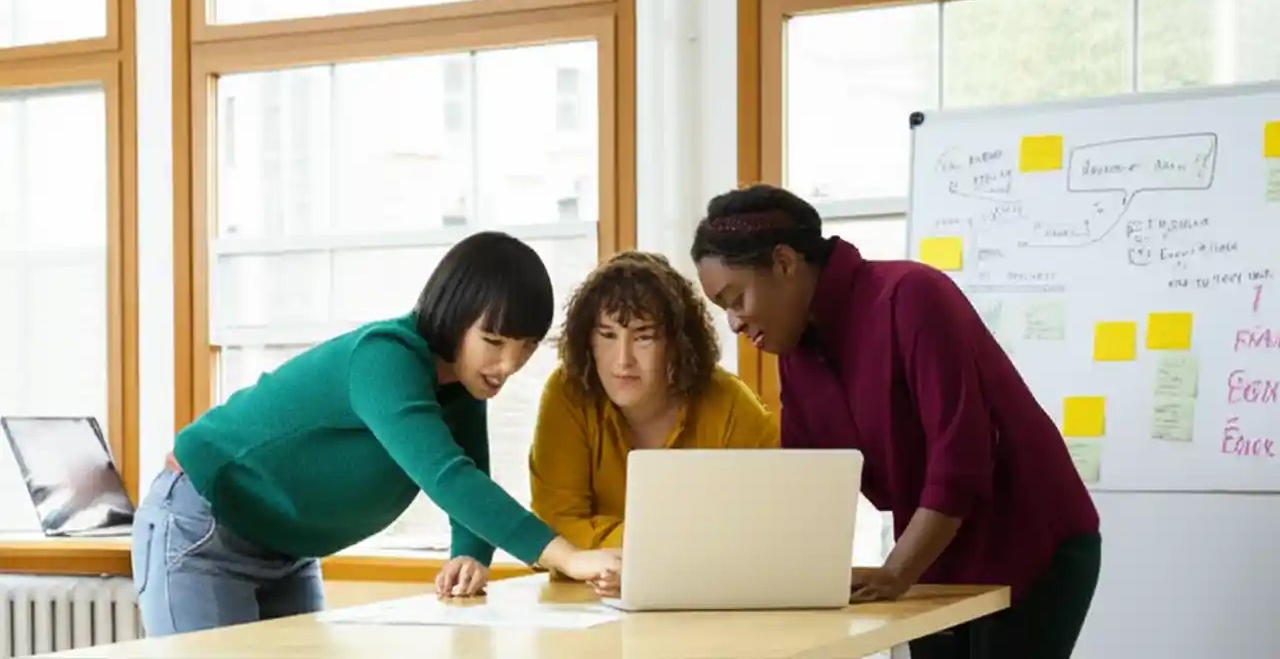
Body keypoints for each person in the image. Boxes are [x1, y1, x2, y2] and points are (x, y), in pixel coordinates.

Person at [131, 231, 621, 637]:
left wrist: (471, 554)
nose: (509, 365)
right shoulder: (384, 358)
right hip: (204, 527)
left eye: (526, 347)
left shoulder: (462, 387)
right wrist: (569, 556)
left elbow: (470, 471)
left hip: (288, 550)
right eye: (493, 342)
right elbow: (448, 478)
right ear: (453, 317)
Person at [689, 185, 1100, 659]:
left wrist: (896, 572)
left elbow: (961, 460)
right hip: (937, 557)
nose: (735, 324)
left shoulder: (910, 295)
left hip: (1033, 542)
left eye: (736, 298)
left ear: (784, 263)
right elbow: (808, 483)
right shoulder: (798, 350)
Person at [529, 251, 778, 595]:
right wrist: (678, 546)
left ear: (678, 344)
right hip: (584, 604)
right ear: (588, 340)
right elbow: (552, 526)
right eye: (607, 335)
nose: (623, 360)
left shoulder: (731, 404)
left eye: (644, 336)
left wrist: (640, 554)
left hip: (704, 602)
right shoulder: (567, 394)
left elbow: (768, 528)